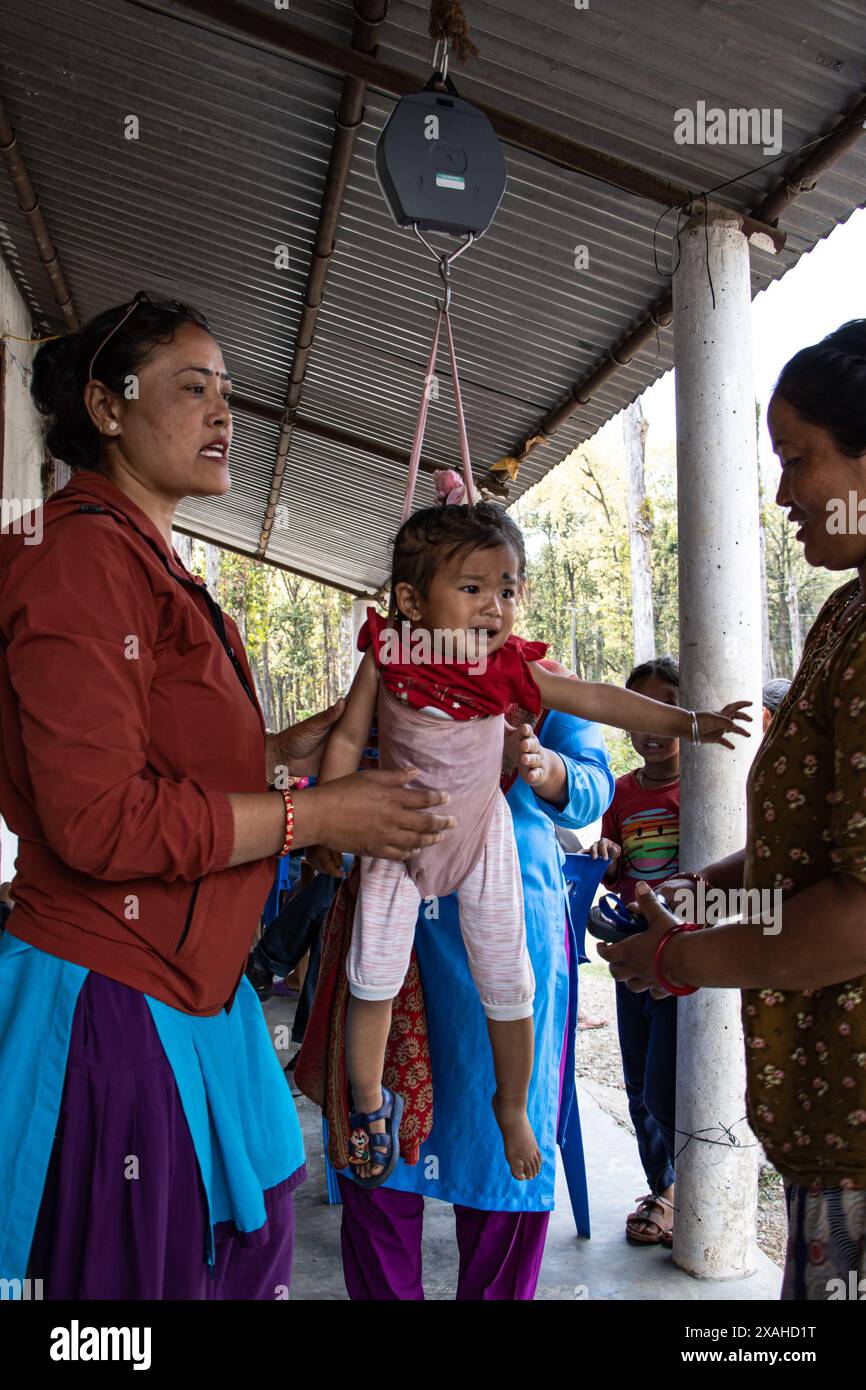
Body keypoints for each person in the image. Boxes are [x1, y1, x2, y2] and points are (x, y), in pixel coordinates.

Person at [0, 292, 456, 1299]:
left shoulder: (148, 560)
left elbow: (176, 767)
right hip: (115, 984)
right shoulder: (78, 556)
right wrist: (315, 816)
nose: (223, 415)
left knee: (240, 1250)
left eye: (229, 394)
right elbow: (99, 818)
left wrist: (304, 747)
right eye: (192, 389)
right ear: (106, 407)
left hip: (195, 985)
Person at [314, 480, 751, 1186]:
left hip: (483, 839)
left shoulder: (511, 667)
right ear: (411, 602)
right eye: (473, 588)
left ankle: (513, 1105)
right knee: (372, 978)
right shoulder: (387, 656)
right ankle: (368, 1102)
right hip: (396, 834)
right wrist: (327, 820)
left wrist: (691, 723)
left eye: (508, 589)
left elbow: (600, 700)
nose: (496, 605)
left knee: (510, 982)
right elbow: (344, 738)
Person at [599, 320, 866, 1301]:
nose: (783, 494)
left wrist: (681, 959)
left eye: (798, 459)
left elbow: (855, 913)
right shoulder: (845, 613)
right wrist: (700, 897)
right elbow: (810, 857)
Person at [333, 694, 615, 1299]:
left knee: (501, 1154)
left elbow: (594, 789)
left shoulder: (544, 686)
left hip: (507, 929)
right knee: (380, 1141)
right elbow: (345, 754)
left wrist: (543, 766)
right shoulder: (395, 672)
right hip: (397, 923)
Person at [589, 656, 681, 1247]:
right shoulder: (620, 793)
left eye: (665, 710)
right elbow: (613, 868)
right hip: (630, 956)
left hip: (684, 957)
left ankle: (688, 1192)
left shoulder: (706, 788)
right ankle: (662, 1186)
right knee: (639, 1083)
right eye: (638, 712)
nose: (651, 727)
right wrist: (606, 856)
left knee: (670, 1083)